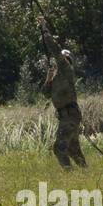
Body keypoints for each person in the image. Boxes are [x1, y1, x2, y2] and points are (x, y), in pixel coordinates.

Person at [40, 18, 86, 169]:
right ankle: (85, 174)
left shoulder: (66, 69)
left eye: (64, 58)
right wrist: (48, 79)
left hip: (70, 115)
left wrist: (45, 30)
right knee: (73, 151)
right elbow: (46, 94)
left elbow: (54, 48)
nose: (61, 60)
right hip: (65, 116)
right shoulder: (57, 76)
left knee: (59, 149)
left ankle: (70, 175)